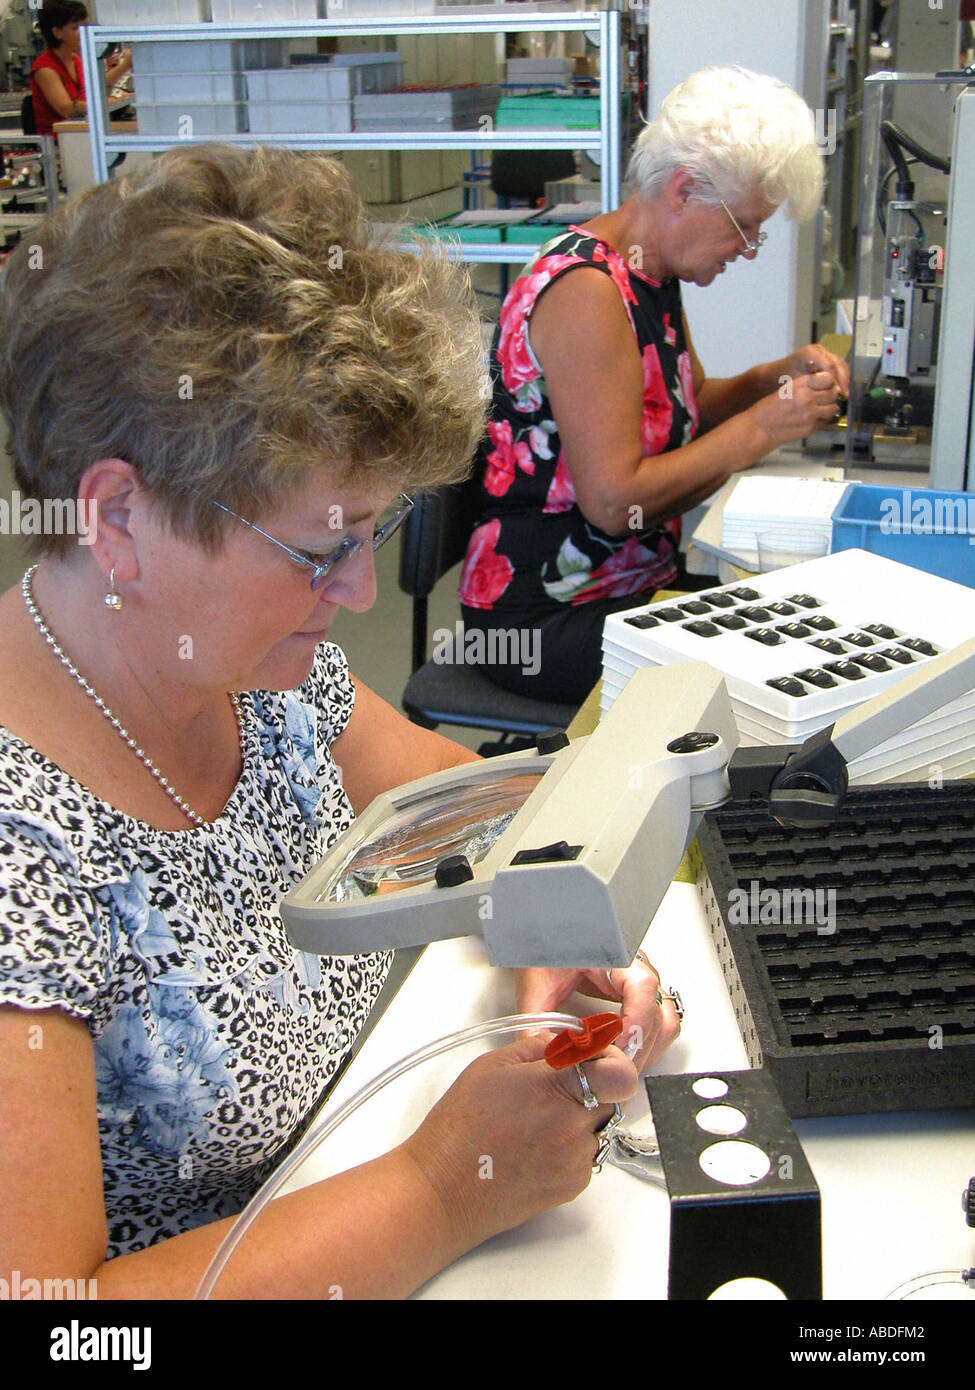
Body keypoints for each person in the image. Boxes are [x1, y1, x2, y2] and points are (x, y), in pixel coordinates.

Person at [0, 144, 679, 1299]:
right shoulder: (24, 856)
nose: (361, 594)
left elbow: (501, 817)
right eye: (322, 548)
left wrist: (555, 921)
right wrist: (439, 1188)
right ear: (118, 518)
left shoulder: (257, 675)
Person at [459, 65, 851, 706]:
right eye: (744, 225)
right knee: (770, 679)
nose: (749, 248)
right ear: (683, 189)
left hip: (624, 585)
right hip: (540, 617)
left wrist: (771, 380)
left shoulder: (648, 273)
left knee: (801, 627)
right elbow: (614, 504)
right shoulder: (585, 291)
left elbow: (688, 409)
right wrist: (760, 429)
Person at [30, 1, 131, 138]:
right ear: (57, 32)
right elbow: (66, 108)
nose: (83, 33)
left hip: (82, 135)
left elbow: (100, 87)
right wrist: (108, 103)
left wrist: (125, 65)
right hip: (62, 143)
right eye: (75, 28)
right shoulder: (45, 69)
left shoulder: (75, 59)